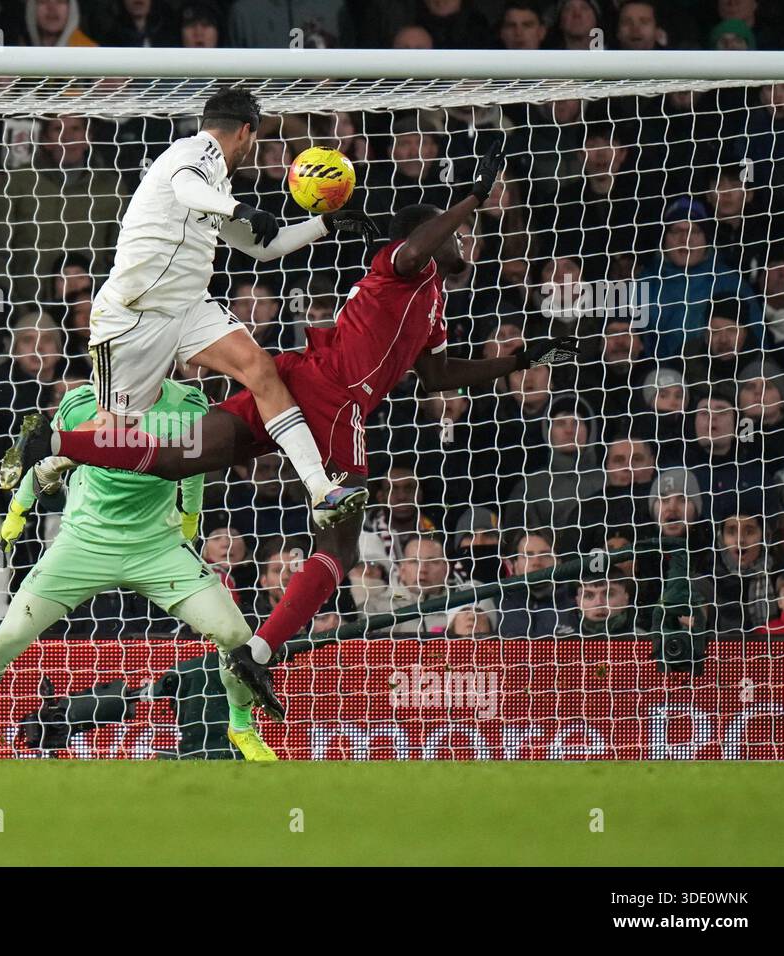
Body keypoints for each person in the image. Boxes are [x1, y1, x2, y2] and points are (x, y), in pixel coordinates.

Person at [29, 140, 579, 715]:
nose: (464, 241)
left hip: (295, 381)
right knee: (337, 547)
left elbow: (438, 375)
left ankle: (54, 442)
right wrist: (472, 196)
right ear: (434, 237)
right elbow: (415, 247)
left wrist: (521, 359)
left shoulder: (431, 298)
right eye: (454, 235)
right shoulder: (399, 268)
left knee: (180, 455)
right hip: (333, 402)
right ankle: (259, 653)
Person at [6, 87, 378, 525]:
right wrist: (240, 207)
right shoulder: (193, 152)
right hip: (134, 314)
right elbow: (186, 188)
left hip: (188, 308)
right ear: (245, 133)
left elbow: (264, 248)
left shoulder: (215, 183)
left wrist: (324, 223)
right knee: (114, 432)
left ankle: (320, 492)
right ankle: (46, 447)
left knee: (260, 369)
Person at [0, 379, 278, 763]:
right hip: (83, 546)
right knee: (6, 639)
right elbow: (47, 464)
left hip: (158, 548)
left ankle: (241, 728)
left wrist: (189, 521)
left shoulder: (189, 405)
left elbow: (194, 467)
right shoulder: (82, 404)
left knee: (235, 635)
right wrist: (15, 515)